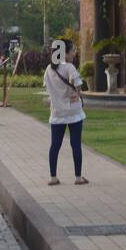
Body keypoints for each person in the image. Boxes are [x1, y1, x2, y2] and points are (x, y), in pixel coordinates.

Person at [43, 40, 87, 186]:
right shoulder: (69, 67)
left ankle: (53, 177)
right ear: (64, 53)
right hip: (73, 110)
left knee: (55, 145)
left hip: (57, 112)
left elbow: (48, 88)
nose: (74, 53)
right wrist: (77, 94)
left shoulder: (49, 69)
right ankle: (78, 177)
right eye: (72, 51)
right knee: (76, 145)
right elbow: (78, 84)